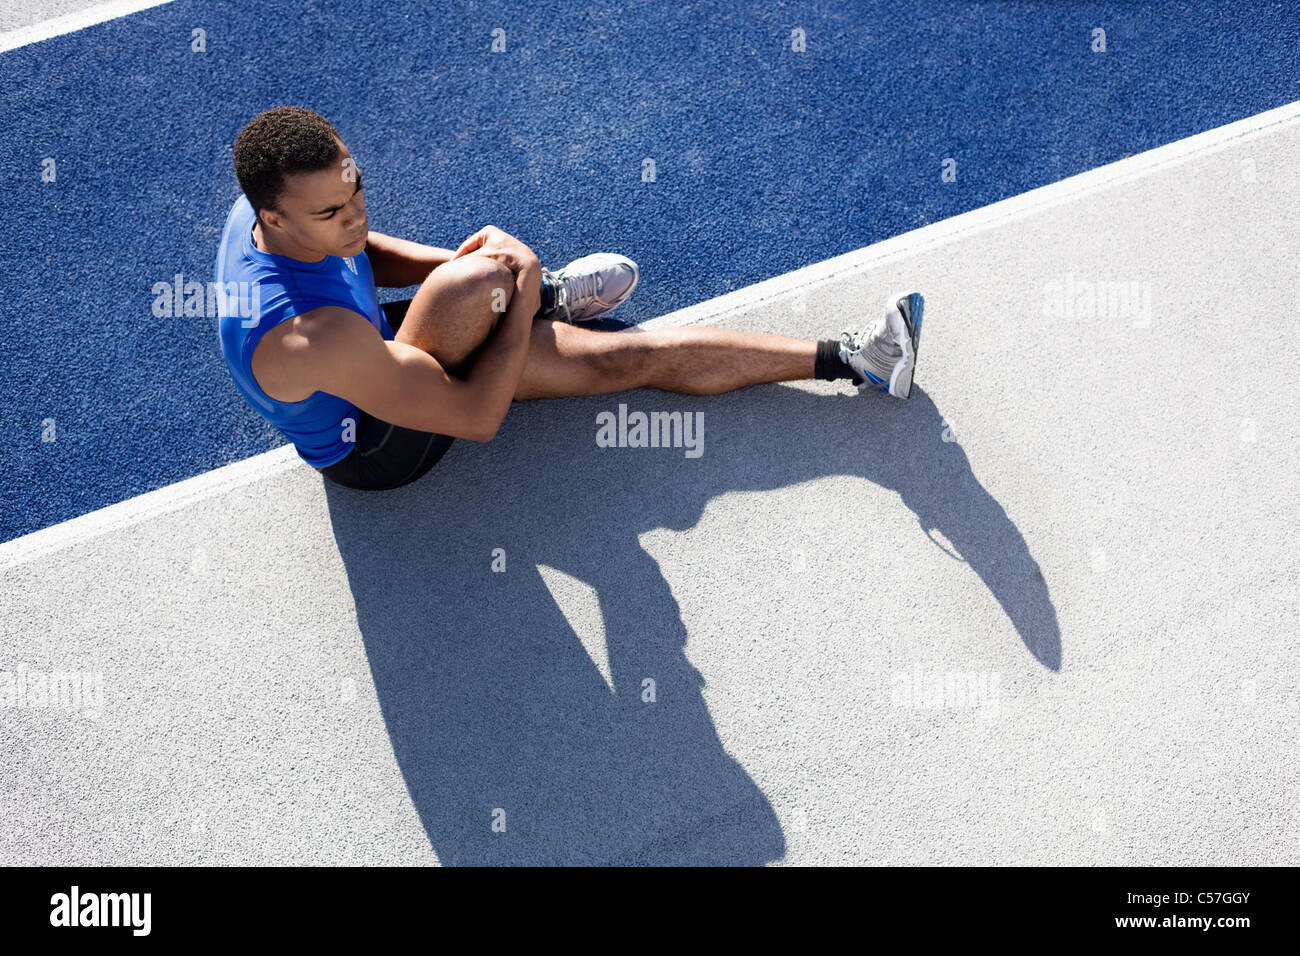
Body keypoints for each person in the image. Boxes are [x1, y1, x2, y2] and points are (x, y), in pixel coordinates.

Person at [215, 106, 923, 491]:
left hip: (378, 343)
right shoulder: (306, 337)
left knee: (557, 319)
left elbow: (360, 252)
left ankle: (855, 360)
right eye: (331, 211)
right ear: (272, 218)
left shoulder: (280, 211)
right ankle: (536, 299)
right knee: (562, 331)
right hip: (373, 438)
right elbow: (475, 417)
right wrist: (511, 300)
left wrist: (481, 265)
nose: (356, 214)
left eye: (356, 186)